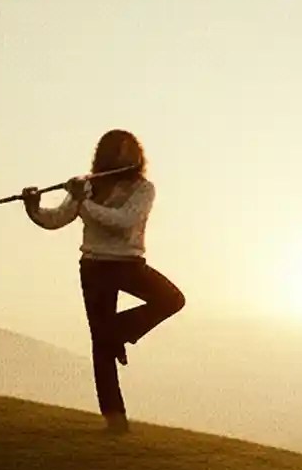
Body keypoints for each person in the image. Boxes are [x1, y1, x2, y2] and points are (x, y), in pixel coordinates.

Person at [21, 129, 184, 433]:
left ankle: (118, 333)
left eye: (133, 149)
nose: (130, 156)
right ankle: (115, 420)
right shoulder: (89, 187)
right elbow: (55, 219)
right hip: (95, 267)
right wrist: (33, 206)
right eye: (122, 150)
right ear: (108, 154)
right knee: (101, 347)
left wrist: (84, 202)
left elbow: (124, 223)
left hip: (129, 263)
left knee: (172, 299)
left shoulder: (143, 189)